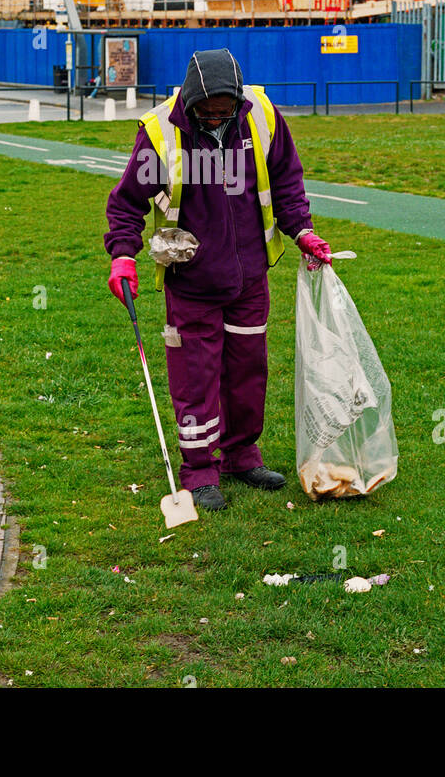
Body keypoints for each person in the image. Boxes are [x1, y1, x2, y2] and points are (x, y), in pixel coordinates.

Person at [104, 49, 332, 510]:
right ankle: (200, 470)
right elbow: (127, 202)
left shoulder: (263, 116)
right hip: (191, 278)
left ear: (238, 102)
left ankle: (242, 456)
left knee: (248, 370)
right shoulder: (159, 132)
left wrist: (302, 230)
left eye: (224, 111)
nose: (215, 119)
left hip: (251, 275)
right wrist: (122, 257)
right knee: (195, 376)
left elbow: (287, 180)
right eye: (206, 113)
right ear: (190, 102)